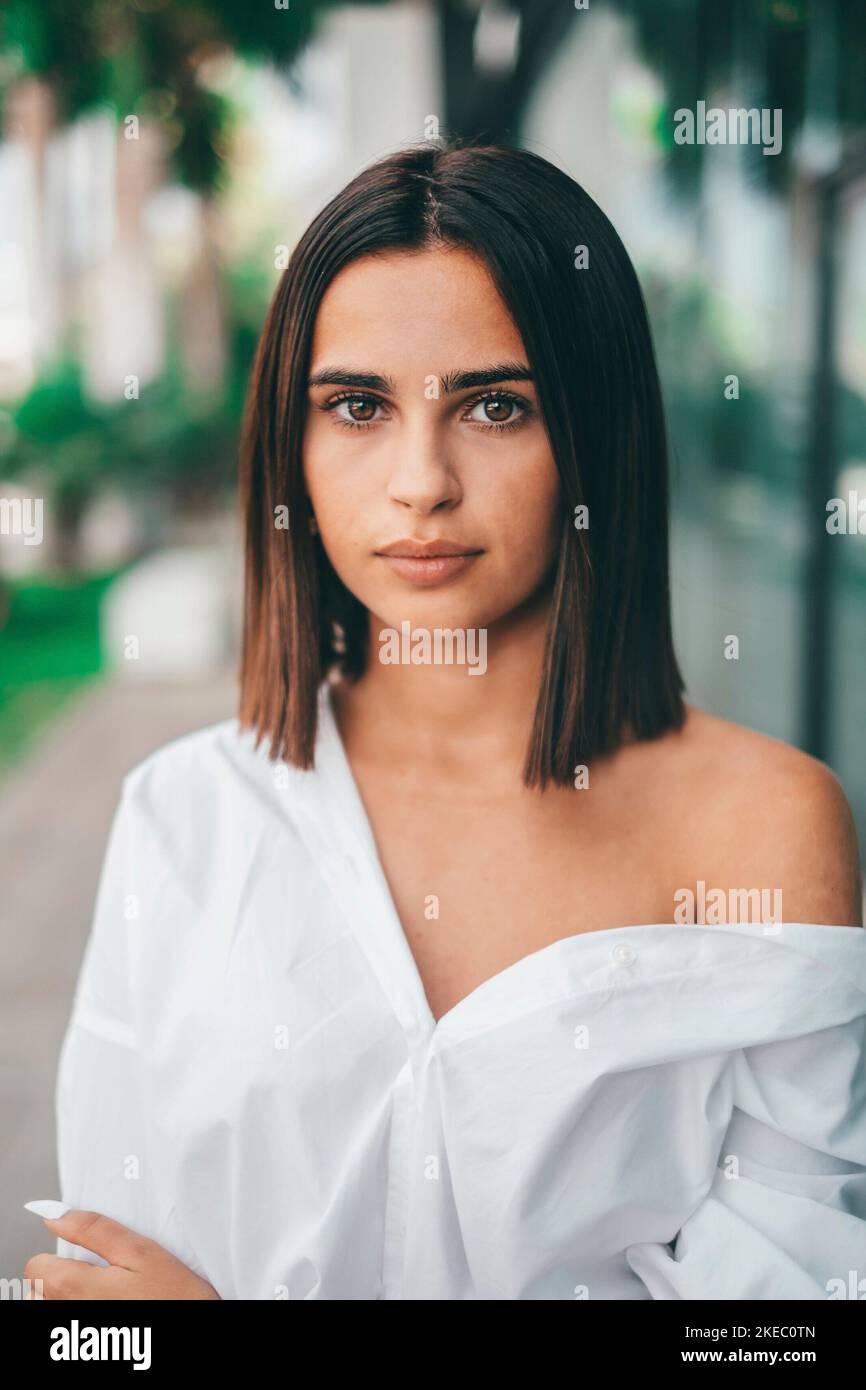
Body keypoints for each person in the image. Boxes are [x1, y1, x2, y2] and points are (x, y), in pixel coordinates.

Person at [25, 141, 866, 1301]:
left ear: (594, 431)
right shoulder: (180, 818)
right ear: (292, 446)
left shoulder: (763, 826)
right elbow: (101, 1295)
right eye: (357, 405)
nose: (420, 481)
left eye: (494, 405)